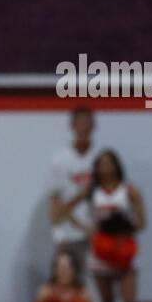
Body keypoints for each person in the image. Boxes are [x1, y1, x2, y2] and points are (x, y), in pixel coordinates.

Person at [71, 149, 151, 302]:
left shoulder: (129, 191)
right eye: (101, 164)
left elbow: (142, 223)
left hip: (123, 251)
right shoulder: (92, 191)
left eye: (109, 163)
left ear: (117, 165)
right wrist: (88, 229)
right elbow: (65, 209)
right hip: (101, 252)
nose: (105, 168)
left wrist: (124, 224)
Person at [49, 106, 97, 277]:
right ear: (72, 126)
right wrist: (81, 226)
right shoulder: (60, 161)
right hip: (68, 234)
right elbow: (55, 206)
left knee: (94, 294)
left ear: (93, 126)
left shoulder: (100, 159)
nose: (83, 128)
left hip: (96, 235)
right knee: (70, 290)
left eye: (87, 123)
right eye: (80, 123)